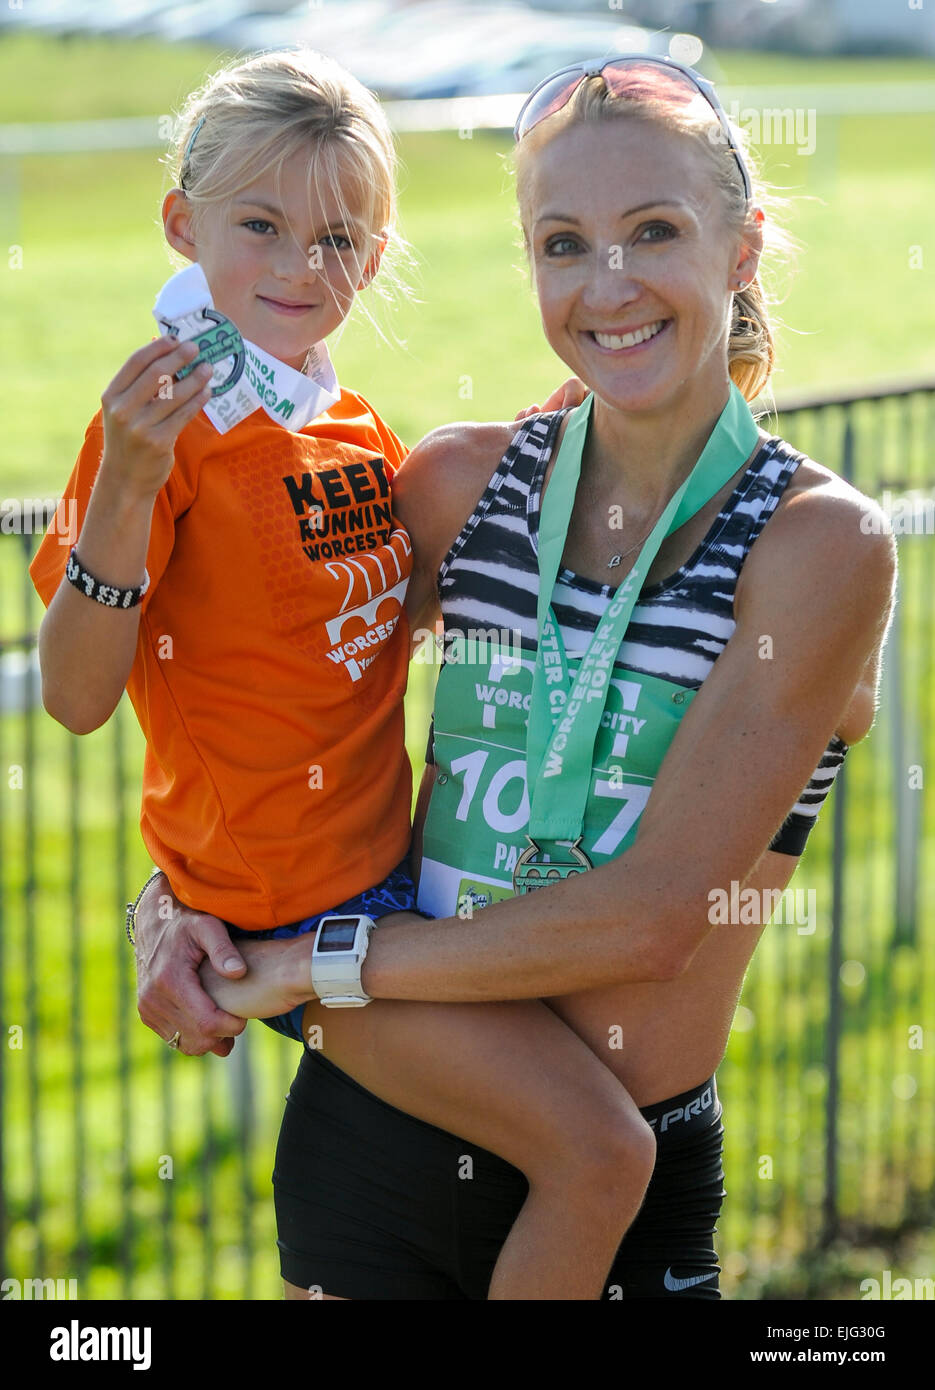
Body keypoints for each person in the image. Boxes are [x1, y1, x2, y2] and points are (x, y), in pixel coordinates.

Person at [135, 54, 897, 1302]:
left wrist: (317, 963)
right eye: (561, 243)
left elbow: (652, 920)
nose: (607, 284)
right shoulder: (454, 486)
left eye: (652, 230)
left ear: (741, 244)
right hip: (371, 1140)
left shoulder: (819, 548)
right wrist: (176, 904)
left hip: (617, 1169)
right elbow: (265, 715)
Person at [29, 47, 663, 1303]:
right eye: (258, 225)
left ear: (373, 257)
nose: (294, 267)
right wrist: (126, 497)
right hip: (294, 915)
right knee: (599, 1154)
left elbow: (385, 624)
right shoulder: (161, 427)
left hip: (397, 881)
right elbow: (75, 696)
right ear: (181, 224)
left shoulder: (350, 423)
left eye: (334, 238)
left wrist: (547, 458)